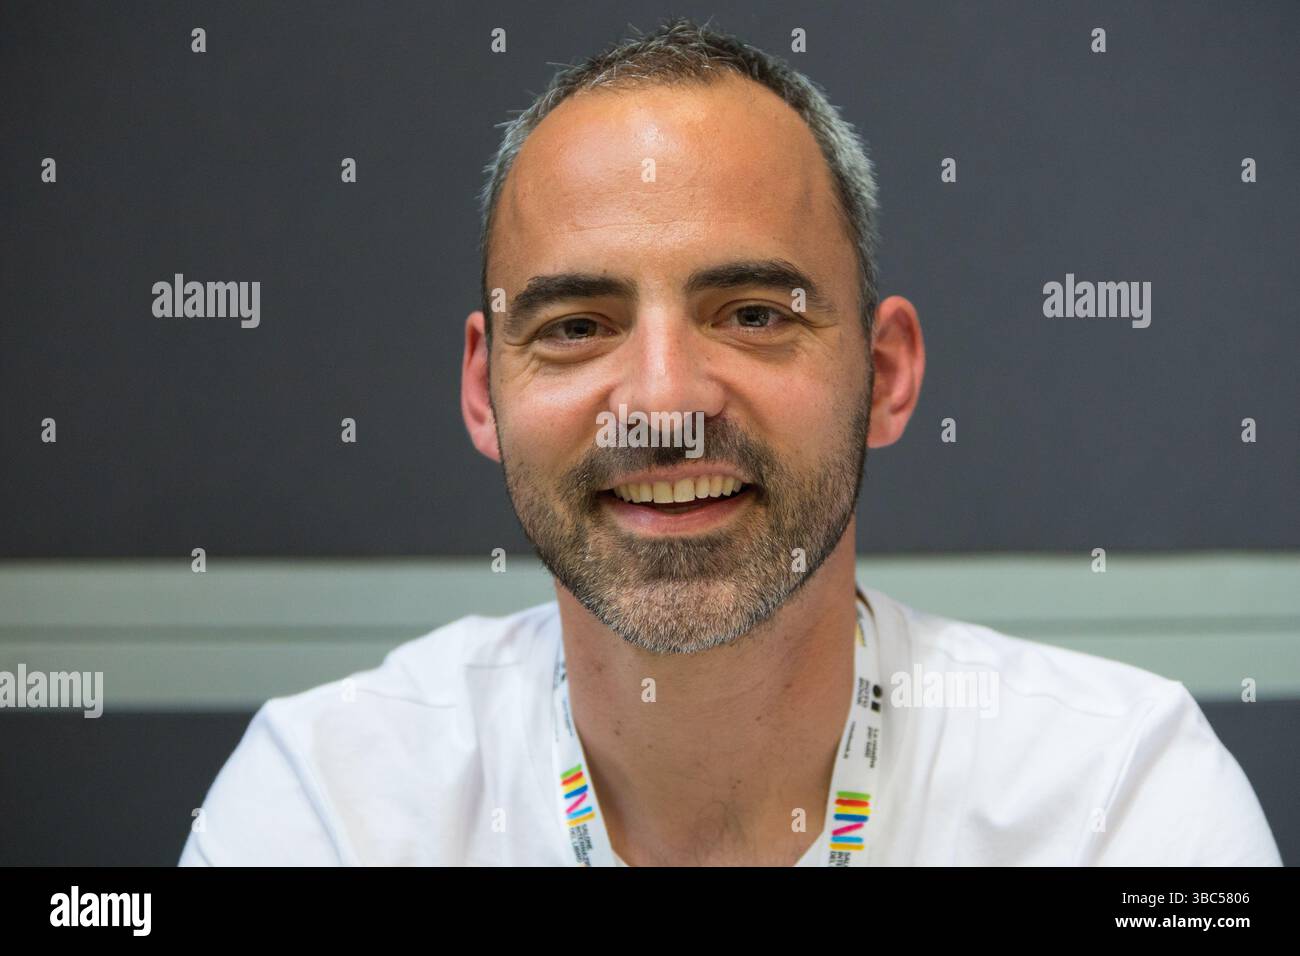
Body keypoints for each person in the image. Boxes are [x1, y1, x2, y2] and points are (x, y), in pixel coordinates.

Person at [180, 18, 1281, 867]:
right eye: (576, 327)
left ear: (885, 376)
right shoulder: (328, 803)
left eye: (754, 311)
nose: (664, 401)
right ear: (484, 391)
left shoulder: (1120, 802)